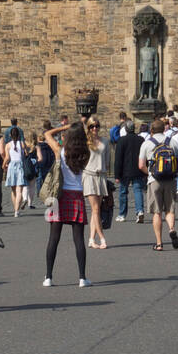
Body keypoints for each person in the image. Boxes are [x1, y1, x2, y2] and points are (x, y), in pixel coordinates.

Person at [42, 123, 91, 287]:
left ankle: (48, 277)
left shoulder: (60, 150)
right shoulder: (86, 153)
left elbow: (47, 134)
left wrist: (64, 128)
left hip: (59, 195)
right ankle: (82, 278)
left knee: (53, 238)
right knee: (78, 239)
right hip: (76, 194)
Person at [139, 118, 178, 250]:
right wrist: (174, 172)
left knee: (157, 212)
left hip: (154, 180)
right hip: (170, 180)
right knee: (169, 209)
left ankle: (159, 243)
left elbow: (141, 165)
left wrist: (150, 173)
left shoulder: (146, 144)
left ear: (151, 130)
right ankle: (171, 228)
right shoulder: (172, 142)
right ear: (164, 129)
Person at [82, 118, 111, 249]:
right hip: (89, 176)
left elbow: (108, 161)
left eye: (97, 126)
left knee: (96, 211)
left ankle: (91, 239)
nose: (95, 128)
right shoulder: (85, 143)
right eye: (92, 126)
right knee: (96, 210)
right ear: (88, 128)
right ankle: (102, 238)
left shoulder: (105, 141)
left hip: (101, 176)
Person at [113, 119, 145, 222]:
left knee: (123, 192)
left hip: (125, 171)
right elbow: (144, 156)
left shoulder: (121, 140)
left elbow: (118, 159)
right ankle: (139, 211)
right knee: (138, 190)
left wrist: (117, 175)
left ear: (126, 129)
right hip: (137, 169)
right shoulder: (140, 140)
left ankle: (122, 214)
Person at [2, 123, 29, 215]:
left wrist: (3, 165)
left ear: (10, 135)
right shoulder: (22, 144)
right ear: (19, 135)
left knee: (13, 191)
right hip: (20, 166)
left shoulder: (8, 145)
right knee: (19, 190)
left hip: (12, 166)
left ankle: (15, 209)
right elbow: (26, 154)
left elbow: (7, 158)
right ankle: (16, 211)